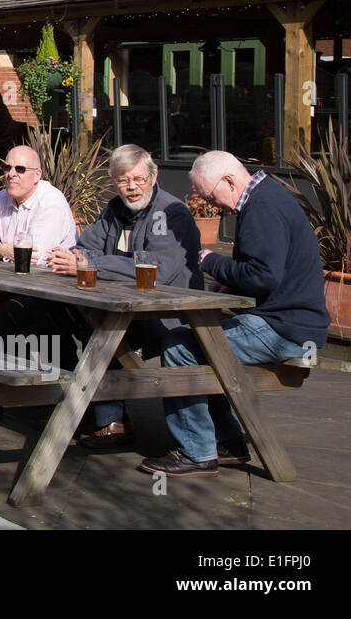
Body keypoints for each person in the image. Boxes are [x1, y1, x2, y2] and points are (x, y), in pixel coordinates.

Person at [139, 151, 330, 478]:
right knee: (199, 342)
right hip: (292, 322)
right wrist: (229, 286)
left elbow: (263, 275)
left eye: (212, 196)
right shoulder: (266, 199)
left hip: (285, 330)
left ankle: (196, 452)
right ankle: (228, 441)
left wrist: (211, 262)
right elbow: (273, 273)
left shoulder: (262, 209)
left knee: (179, 347)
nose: (214, 205)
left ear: (229, 180)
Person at [46, 144, 203, 447]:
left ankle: (109, 420)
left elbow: (156, 268)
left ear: (154, 177)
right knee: (57, 314)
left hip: (169, 313)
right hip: (123, 306)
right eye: (122, 180)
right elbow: (85, 246)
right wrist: (74, 257)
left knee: (105, 332)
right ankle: (64, 404)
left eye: (138, 179)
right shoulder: (113, 210)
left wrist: (89, 264)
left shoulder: (171, 214)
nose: (131, 187)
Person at [0, 144, 77, 266]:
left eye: (20, 169)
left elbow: (35, 258)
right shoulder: (0, 198)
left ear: (37, 175)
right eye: (7, 168)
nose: (11, 174)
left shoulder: (51, 201)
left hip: (50, 281)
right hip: (6, 277)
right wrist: (3, 250)